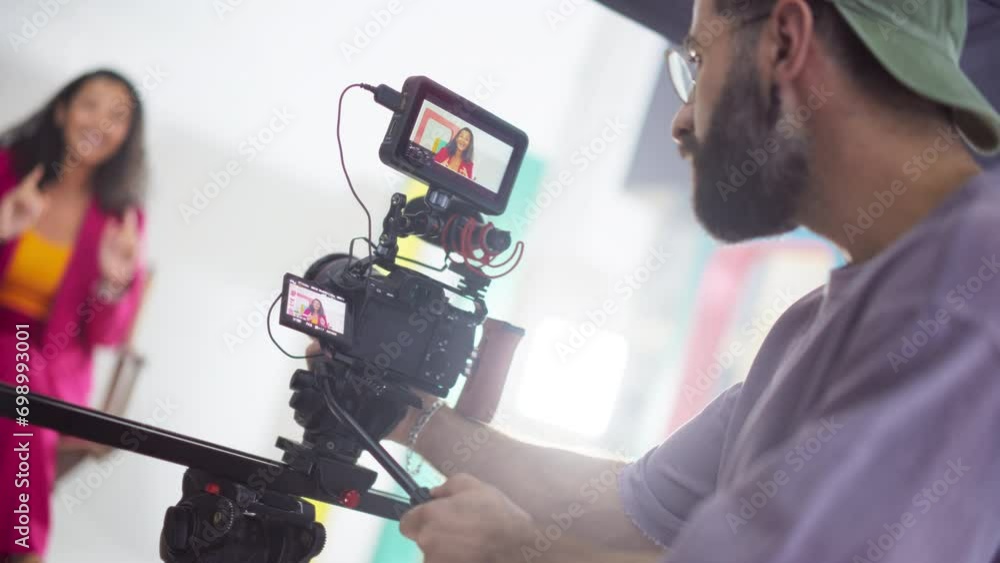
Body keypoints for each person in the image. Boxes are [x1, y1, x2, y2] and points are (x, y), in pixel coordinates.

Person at [313, 1, 1000, 562]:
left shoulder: (974, 282)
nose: (679, 120)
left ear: (784, 41)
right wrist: (408, 416)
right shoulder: (808, 331)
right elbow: (630, 507)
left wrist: (518, 552)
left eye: (697, 60)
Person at [0, 69, 148, 562]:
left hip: (52, 362)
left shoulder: (122, 217)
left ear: (127, 135)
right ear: (62, 110)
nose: (100, 123)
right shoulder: (7, 170)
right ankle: (24, 548)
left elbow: (105, 337)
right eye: (90, 106)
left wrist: (111, 282)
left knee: (16, 369)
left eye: (117, 116)